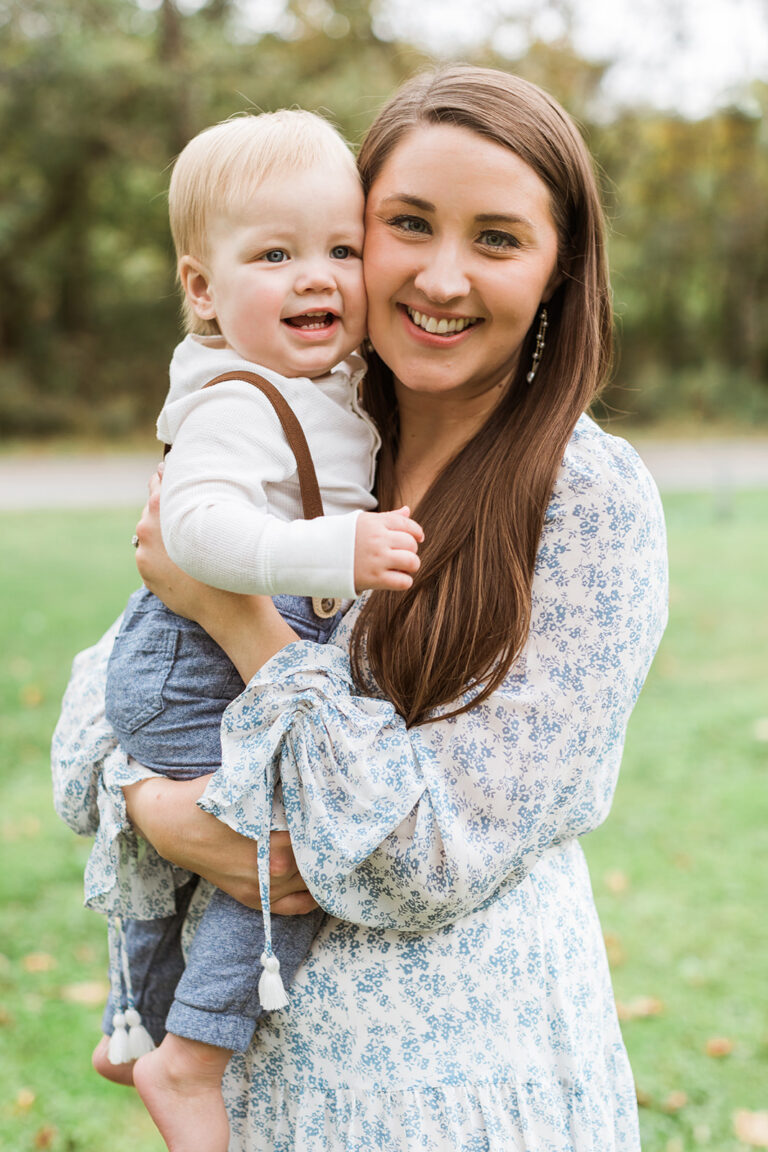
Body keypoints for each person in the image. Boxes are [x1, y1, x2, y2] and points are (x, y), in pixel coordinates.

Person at [53, 64, 668, 1151]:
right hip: (266, 1091)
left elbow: (420, 856)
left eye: (496, 237)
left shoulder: (586, 497)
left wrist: (245, 624)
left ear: (561, 271)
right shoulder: (304, 431)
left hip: (468, 1089)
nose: (440, 276)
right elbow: (106, 708)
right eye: (406, 224)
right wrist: (158, 808)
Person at [88, 109, 423, 1150]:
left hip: (213, 661)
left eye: (341, 249)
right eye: (275, 254)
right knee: (284, 841)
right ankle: (189, 1058)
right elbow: (191, 529)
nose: (316, 276)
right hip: (194, 662)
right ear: (202, 289)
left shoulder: (326, 381)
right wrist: (336, 553)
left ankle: (127, 1016)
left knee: (228, 838)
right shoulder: (240, 398)